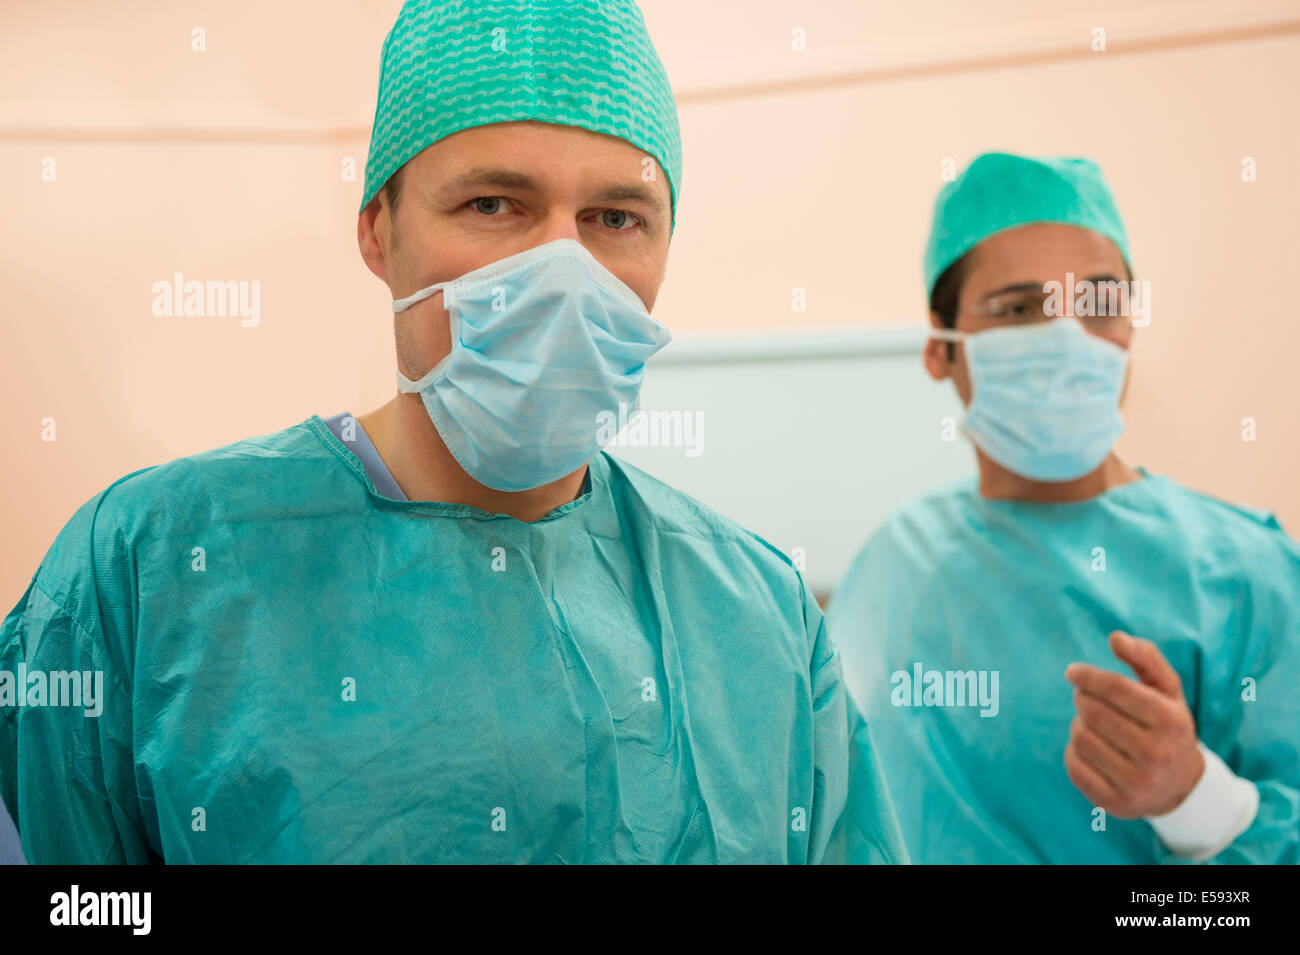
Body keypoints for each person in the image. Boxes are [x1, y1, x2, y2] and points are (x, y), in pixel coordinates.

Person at [0, 0, 904, 865]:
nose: (562, 268)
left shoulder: (761, 621)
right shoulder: (147, 574)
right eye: (493, 205)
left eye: (614, 218)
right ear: (377, 232)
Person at [827, 152, 1300, 864]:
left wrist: (1196, 798)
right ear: (939, 347)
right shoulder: (892, 561)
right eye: (1019, 308)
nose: (1066, 336)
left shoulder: (1244, 574)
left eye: (1100, 303)